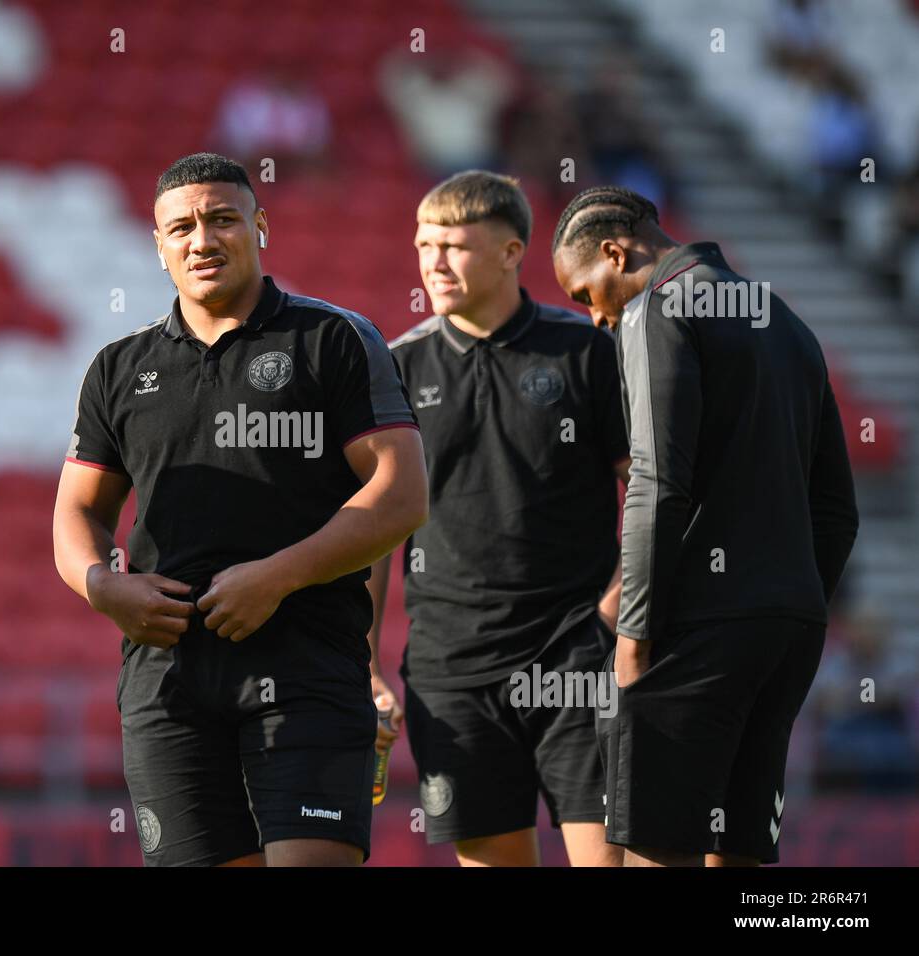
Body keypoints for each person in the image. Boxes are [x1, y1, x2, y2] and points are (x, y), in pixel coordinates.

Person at [53, 152, 427, 867]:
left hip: (310, 664)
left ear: (260, 227)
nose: (203, 239)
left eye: (223, 219)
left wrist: (278, 577)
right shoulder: (117, 367)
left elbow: (400, 494)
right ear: (159, 248)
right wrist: (106, 587)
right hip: (168, 677)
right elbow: (78, 513)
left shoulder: (334, 340)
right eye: (181, 228)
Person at [551, 185, 859, 866]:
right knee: (741, 857)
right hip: (788, 629)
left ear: (615, 251)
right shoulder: (784, 318)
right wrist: (795, 601)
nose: (595, 318)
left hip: (698, 635)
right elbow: (837, 508)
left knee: (660, 854)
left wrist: (632, 638)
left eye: (585, 294)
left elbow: (656, 483)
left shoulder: (655, 308)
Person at [370, 171, 629, 867]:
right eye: (425, 244)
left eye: (454, 245)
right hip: (451, 668)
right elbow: (370, 532)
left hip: (580, 655)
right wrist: (365, 660)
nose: (434, 261)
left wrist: (614, 612)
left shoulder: (588, 353)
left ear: (513, 251)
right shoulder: (393, 367)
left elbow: (650, 493)